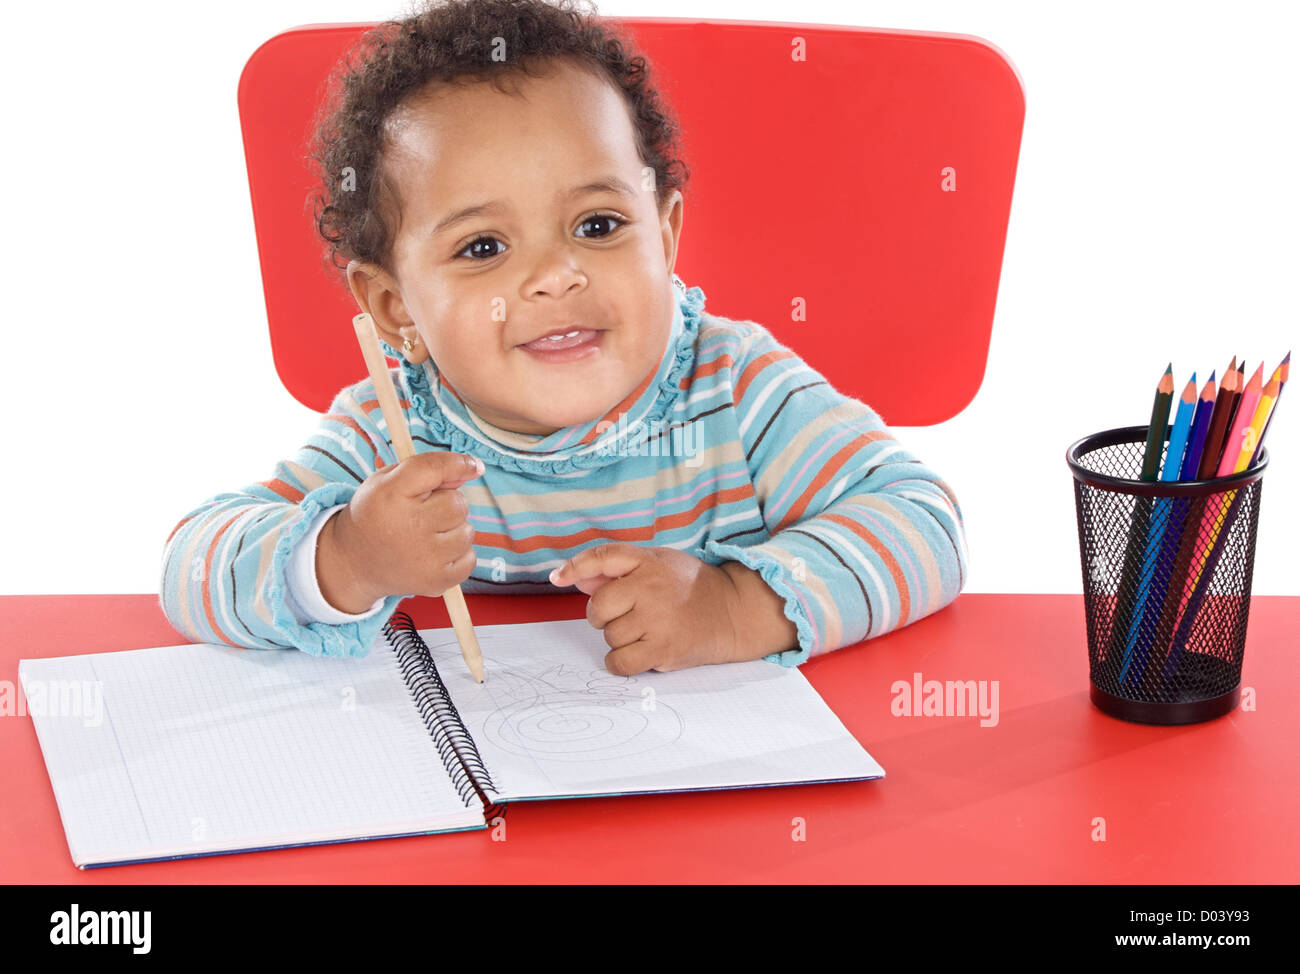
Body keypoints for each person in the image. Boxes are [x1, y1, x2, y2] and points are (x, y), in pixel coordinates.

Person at [160, 0, 969, 675]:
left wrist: (736, 607)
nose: (556, 277)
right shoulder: (397, 437)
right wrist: (346, 556)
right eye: (483, 247)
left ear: (665, 234)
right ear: (393, 308)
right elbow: (190, 567)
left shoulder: (735, 390)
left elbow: (923, 522)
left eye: (598, 224)